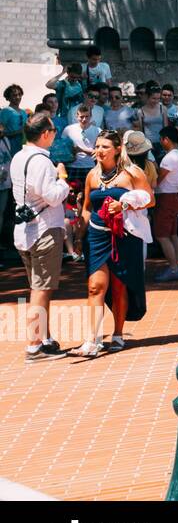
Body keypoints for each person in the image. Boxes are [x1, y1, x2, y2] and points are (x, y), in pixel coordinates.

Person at [77, 128, 154, 355]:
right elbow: (86, 209)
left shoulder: (132, 172)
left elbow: (150, 200)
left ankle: (118, 333)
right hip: (97, 235)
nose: (99, 151)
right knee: (95, 287)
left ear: (118, 149)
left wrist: (124, 204)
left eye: (105, 147)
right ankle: (92, 339)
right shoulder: (92, 175)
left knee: (119, 286)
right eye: (97, 146)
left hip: (124, 236)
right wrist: (79, 236)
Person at [12, 112, 71, 361]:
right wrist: (63, 178)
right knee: (41, 289)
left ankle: (44, 338)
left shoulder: (19, 156)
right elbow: (53, 196)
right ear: (45, 134)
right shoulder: (43, 162)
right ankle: (34, 346)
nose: (55, 134)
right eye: (53, 130)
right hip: (45, 229)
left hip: (24, 230)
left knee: (38, 287)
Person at [152, 126, 178, 283]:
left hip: (165, 197)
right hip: (174, 196)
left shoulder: (169, 158)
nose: (160, 142)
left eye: (161, 139)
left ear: (166, 139)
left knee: (161, 235)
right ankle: (175, 266)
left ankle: (173, 268)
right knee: (172, 234)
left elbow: (158, 180)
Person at [62, 103, 100, 188]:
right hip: (71, 167)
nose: (84, 119)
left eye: (87, 116)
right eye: (81, 117)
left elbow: (98, 153)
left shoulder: (98, 131)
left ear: (91, 116)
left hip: (90, 167)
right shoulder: (68, 130)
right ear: (76, 116)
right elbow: (63, 149)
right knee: (71, 194)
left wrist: (80, 150)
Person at [2, 84, 27, 153]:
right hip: (10, 149)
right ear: (8, 98)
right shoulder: (5, 111)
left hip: (24, 148)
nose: (18, 97)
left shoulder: (24, 112)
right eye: (14, 95)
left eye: (19, 94)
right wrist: (18, 132)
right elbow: (1, 133)